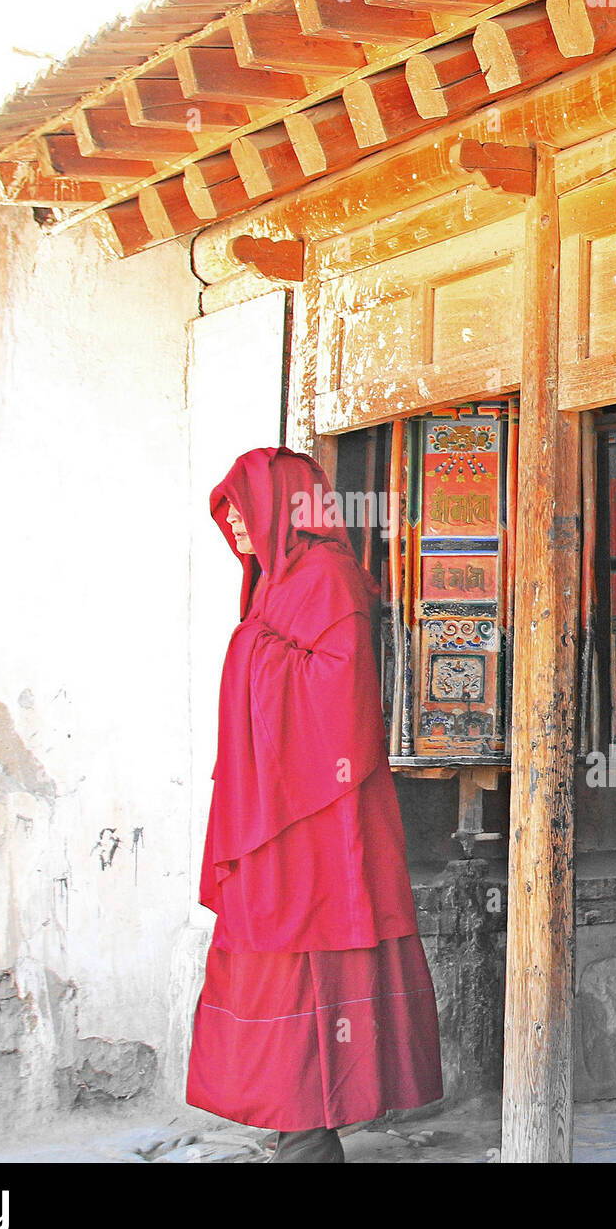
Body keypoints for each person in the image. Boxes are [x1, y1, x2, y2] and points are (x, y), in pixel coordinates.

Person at [186, 445, 443, 1164]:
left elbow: (341, 699)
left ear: (279, 506)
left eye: (240, 506)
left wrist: (250, 652)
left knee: (307, 953)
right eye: (226, 510)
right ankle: (294, 1120)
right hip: (279, 811)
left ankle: (308, 1135)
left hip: (326, 817)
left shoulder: (329, 575)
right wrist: (257, 646)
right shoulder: (275, 583)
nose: (232, 522)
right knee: (275, 953)